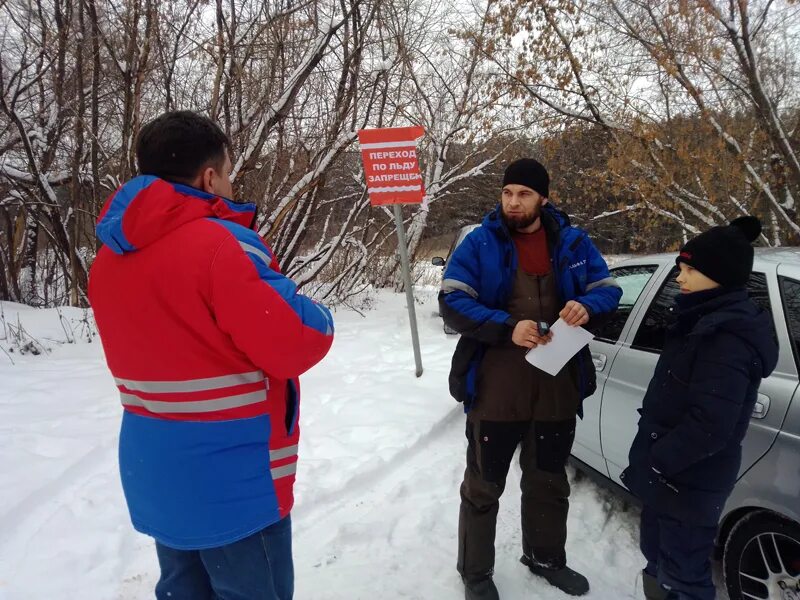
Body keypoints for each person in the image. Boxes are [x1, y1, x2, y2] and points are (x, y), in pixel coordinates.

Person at [89, 111, 334, 600]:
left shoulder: (109, 258)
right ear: (209, 177)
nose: (228, 182)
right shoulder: (222, 247)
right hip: (232, 483)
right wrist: (317, 311)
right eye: (227, 171)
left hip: (156, 470)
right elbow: (297, 338)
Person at [439, 158, 622, 600]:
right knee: (483, 485)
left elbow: (608, 289)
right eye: (507, 193)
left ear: (543, 197)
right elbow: (452, 302)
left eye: (523, 194)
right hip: (497, 386)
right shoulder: (480, 243)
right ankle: (475, 572)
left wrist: (588, 306)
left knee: (548, 479)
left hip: (556, 385)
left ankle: (545, 558)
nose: (513, 202)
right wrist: (507, 326)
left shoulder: (575, 243)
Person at [621, 217, 778, 600]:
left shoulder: (725, 338)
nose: (679, 277)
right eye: (680, 267)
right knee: (659, 556)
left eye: (689, 270)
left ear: (719, 277)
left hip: (690, 481)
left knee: (684, 576)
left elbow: (711, 425)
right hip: (673, 478)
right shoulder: (701, 319)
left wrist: (658, 461)